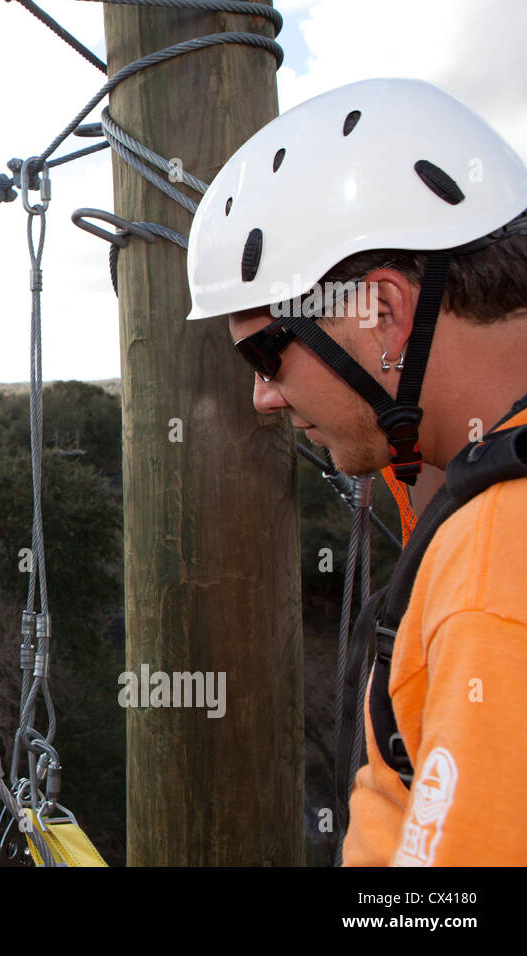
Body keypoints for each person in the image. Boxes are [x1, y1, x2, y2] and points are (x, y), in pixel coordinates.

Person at [185, 78, 527, 865]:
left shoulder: (491, 571)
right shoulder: (479, 491)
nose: (264, 397)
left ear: (385, 314)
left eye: (266, 353)